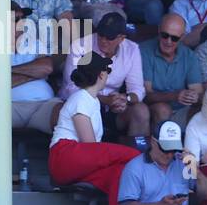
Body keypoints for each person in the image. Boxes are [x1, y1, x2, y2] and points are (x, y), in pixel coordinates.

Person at [49, 55, 140, 205]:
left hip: (82, 164)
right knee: (126, 155)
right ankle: (146, 160)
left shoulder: (93, 101)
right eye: (107, 71)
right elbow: (90, 146)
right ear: (100, 75)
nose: (108, 74)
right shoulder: (81, 98)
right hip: (64, 156)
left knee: (120, 173)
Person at [61, 11, 149, 143]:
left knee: (141, 111)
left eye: (110, 37)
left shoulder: (131, 49)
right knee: (79, 104)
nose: (103, 40)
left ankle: (134, 159)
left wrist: (125, 99)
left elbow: (137, 89)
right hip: (82, 104)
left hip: (114, 107)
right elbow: (71, 88)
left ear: (121, 38)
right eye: (101, 35)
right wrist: (105, 100)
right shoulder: (80, 45)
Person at [141, 13, 202, 129]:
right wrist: (174, 95)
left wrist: (193, 96)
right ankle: (160, 146)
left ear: (183, 37)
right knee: (162, 109)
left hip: (182, 110)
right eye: (165, 35)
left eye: (174, 38)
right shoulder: (144, 51)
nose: (168, 41)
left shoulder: (189, 55)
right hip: (154, 108)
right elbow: (145, 95)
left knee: (204, 111)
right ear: (159, 31)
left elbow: (197, 91)